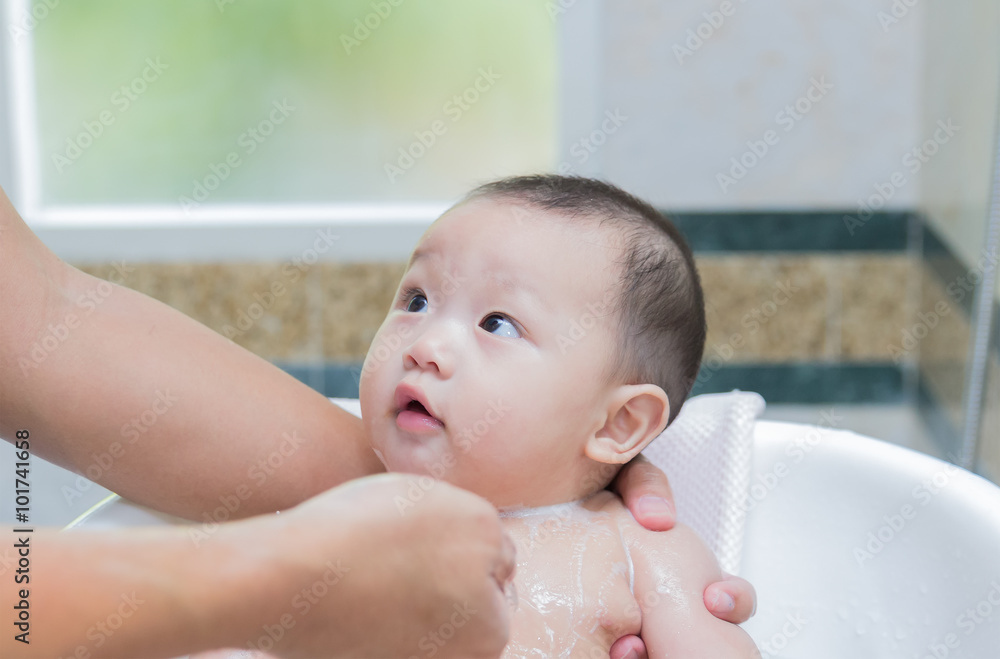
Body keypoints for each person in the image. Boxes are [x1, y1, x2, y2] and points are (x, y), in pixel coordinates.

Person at [0, 182, 754, 659]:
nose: (426, 344)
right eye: (417, 300)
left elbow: (39, 324)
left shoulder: (633, 546)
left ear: (620, 425)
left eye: (498, 323)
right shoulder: (341, 520)